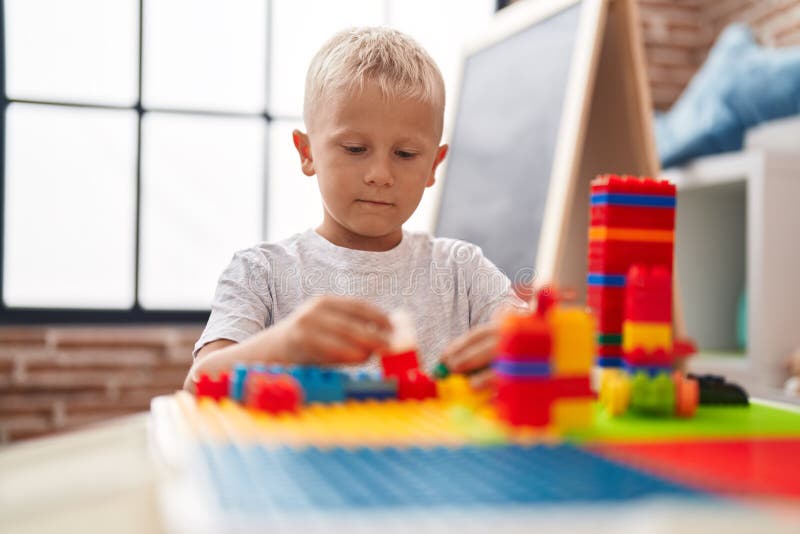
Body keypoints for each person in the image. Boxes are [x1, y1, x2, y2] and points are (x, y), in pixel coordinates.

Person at [185, 27, 526, 391]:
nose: (380, 175)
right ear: (307, 152)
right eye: (354, 148)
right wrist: (284, 344)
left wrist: (521, 350)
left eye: (405, 154)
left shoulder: (463, 270)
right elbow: (199, 382)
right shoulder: (260, 272)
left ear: (433, 166)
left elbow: (535, 335)